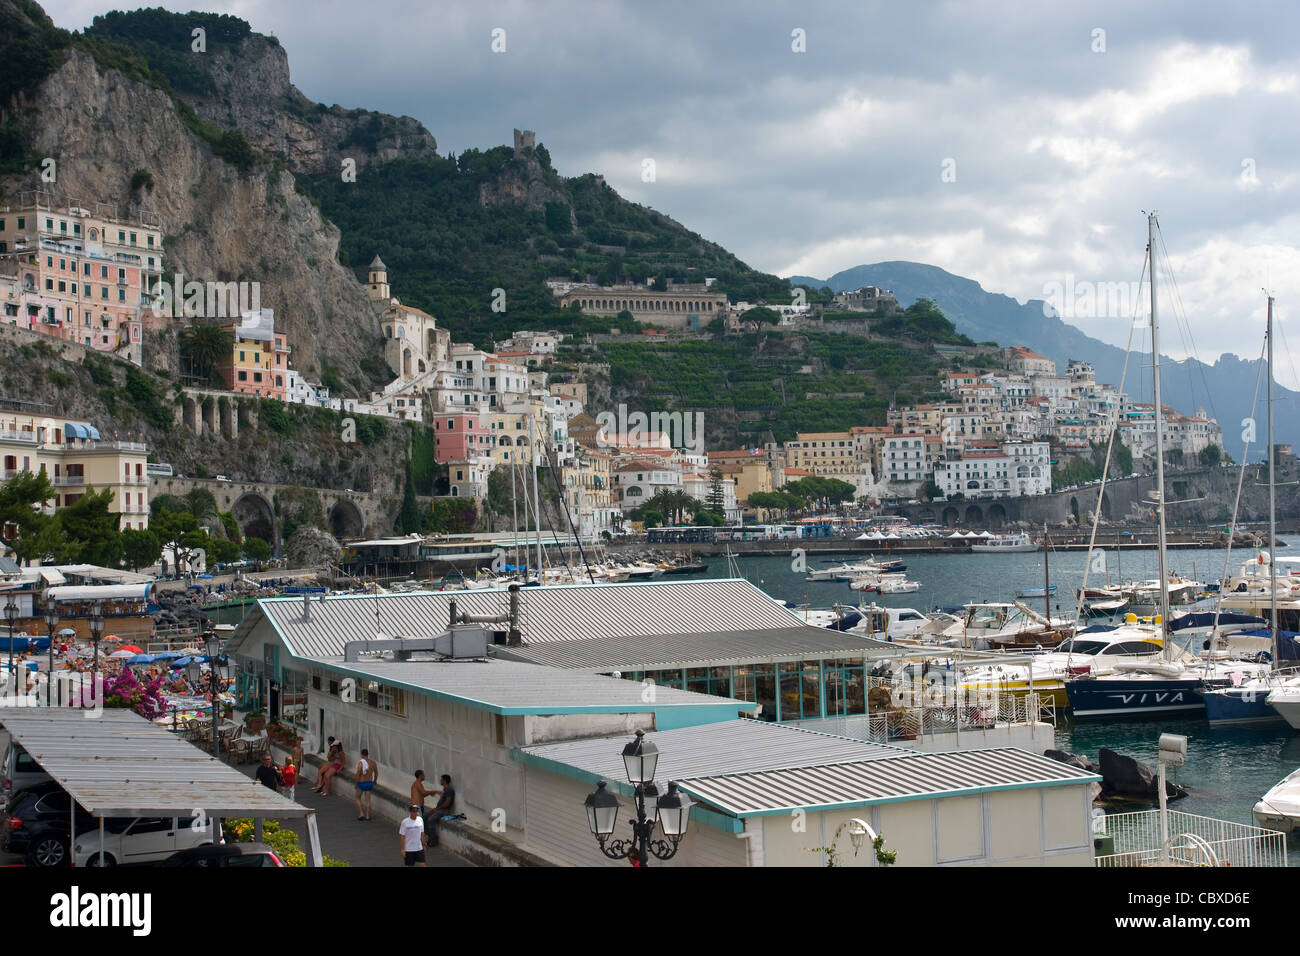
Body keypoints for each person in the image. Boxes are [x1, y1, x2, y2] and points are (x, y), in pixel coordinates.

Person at [425, 774, 455, 847]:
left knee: (430, 819)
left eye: (441, 779)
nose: (440, 781)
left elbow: (447, 803)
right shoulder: (445, 790)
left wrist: (437, 809)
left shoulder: (449, 790)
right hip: (440, 809)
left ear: (444, 781)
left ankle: (434, 839)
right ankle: (430, 836)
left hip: (444, 810)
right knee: (425, 816)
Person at [354, 748, 378, 820]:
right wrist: (375, 781)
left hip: (361, 783)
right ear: (368, 754)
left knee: (357, 798)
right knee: (368, 800)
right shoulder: (373, 763)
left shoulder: (360, 763)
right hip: (369, 783)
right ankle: (368, 815)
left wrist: (356, 783)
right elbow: (376, 773)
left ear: (361, 755)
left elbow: (358, 774)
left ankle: (361, 813)